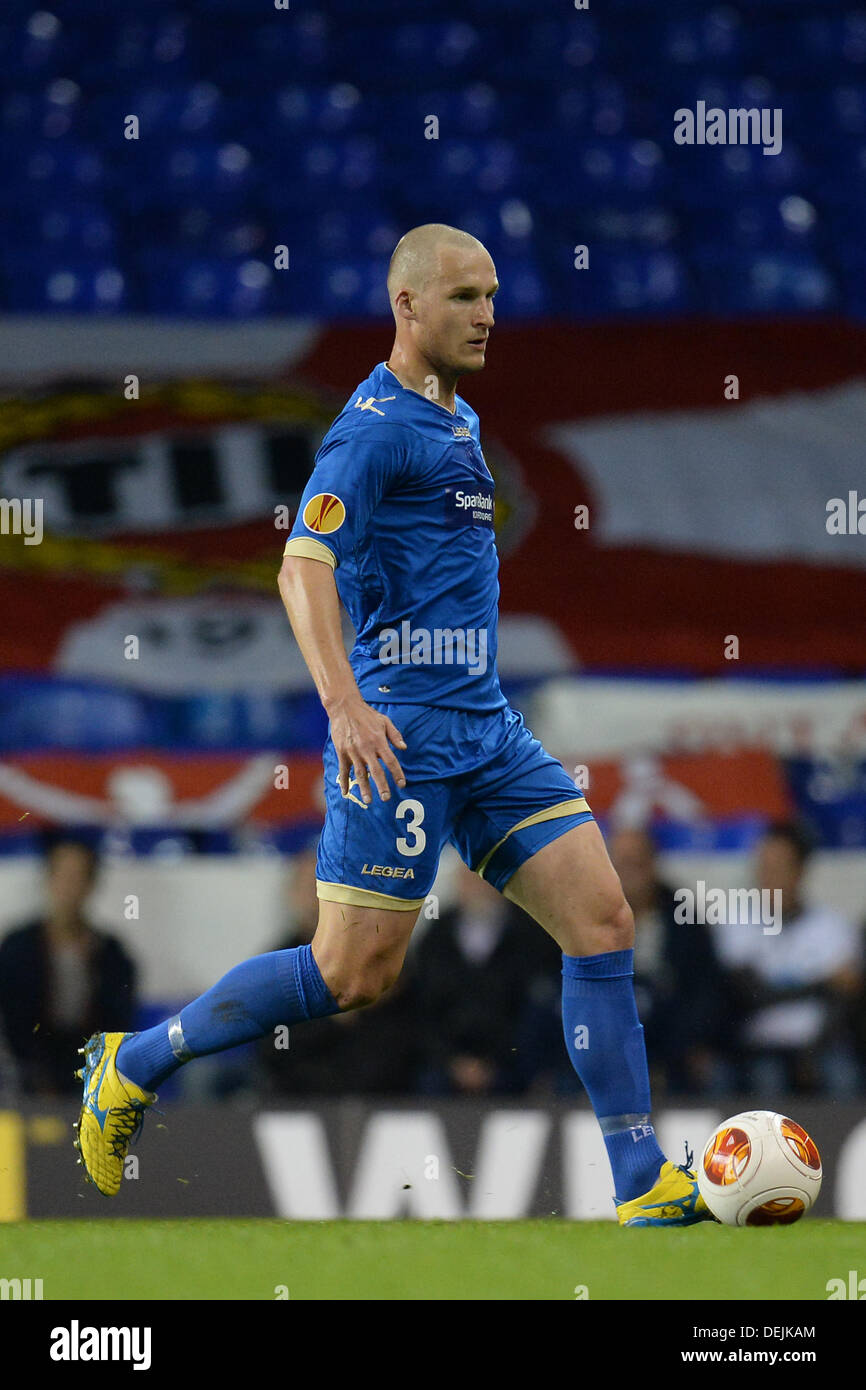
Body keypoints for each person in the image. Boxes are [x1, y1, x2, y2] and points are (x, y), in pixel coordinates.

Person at [75, 224, 711, 1225]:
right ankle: (134, 1064)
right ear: (405, 305)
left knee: (601, 920)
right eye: (462, 296)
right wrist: (344, 703)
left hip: (487, 730)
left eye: (493, 294)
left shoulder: (455, 419)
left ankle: (636, 1180)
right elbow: (300, 566)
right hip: (398, 739)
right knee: (351, 973)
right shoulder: (370, 429)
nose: (487, 314)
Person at [718, 821, 863, 1096]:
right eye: (763, 868)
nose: (768, 878)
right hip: (758, 1046)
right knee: (765, 1080)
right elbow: (751, 995)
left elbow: (845, 1002)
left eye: (778, 868)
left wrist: (810, 1052)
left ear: (800, 871)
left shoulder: (832, 928)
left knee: (843, 1076)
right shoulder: (736, 925)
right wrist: (823, 984)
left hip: (821, 1044)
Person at [0, 834, 136, 1096]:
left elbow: (117, 1022)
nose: (69, 888)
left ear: (91, 884)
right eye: (63, 876)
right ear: (49, 880)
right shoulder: (17, 947)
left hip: (90, 1069)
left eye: (78, 877)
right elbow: (12, 1020)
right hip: (26, 1066)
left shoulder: (112, 954)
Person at [413, 860, 562, 1096]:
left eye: (485, 878)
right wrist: (452, 1061)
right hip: (444, 1067)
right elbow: (422, 1009)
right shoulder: (435, 939)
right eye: (470, 879)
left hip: (512, 1066)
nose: (478, 887)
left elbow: (536, 1009)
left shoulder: (532, 936)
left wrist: (498, 1061)